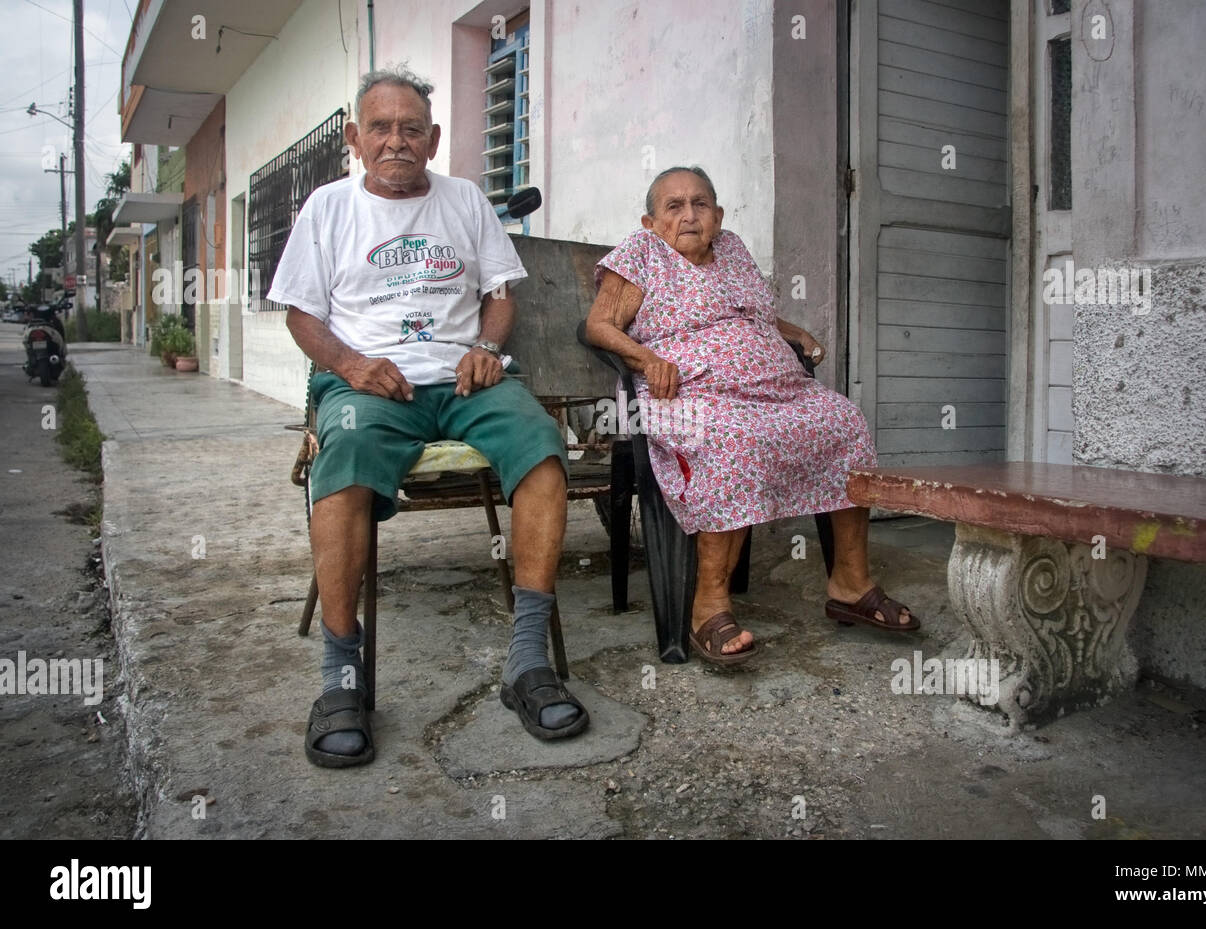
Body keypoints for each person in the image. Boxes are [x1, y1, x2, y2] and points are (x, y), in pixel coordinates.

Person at [270, 67, 587, 768]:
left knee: (540, 443)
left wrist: (483, 345)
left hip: (463, 376)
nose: (396, 141)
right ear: (354, 138)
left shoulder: (465, 201)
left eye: (411, 128)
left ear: (433, 138)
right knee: (345, 456)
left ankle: (527, 661)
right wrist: (351, 367)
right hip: (370, 385)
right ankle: (342, 679)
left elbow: (500, 295)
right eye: (380, 128)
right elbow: (300, 313)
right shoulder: (327, 208)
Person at [584, 166, 920, 665]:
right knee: (733, 440)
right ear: (651, 221)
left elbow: (745, 311)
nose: (690, 214)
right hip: (688, 392)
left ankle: (850, 584)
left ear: (718, 216)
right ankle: (708, 605)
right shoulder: (641, 253)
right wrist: (646, 359)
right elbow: (598, 326)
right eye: (674, 206)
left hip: (776, 389)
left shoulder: (734, 249)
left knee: (844, 422)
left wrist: (794, 332)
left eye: (701, 204)